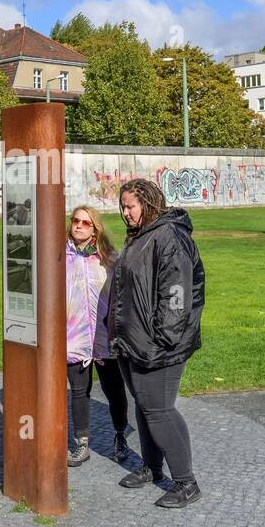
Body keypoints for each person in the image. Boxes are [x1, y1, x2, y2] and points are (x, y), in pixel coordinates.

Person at [107, 178, 205, 509]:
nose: (125, 213)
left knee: (159, 409)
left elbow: (177, 292)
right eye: (122, 207)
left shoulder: (169, 236)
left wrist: (164, 338)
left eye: (130, 206)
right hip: (133, 340)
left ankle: (186, 483)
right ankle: (152, 467)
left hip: (159, 344)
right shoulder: (141, 235)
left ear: (147, 204)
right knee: (144, 405)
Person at [64, 205, 131, 467]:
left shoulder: (109, 258)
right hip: (74, 338)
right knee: (79, 391)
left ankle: (120, 435)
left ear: (95, 229)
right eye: (75, 221)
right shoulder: (60, 257)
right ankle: (82, 443)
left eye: (85, 222)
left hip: (105, 336)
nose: (79, 226)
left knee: (114, 390)